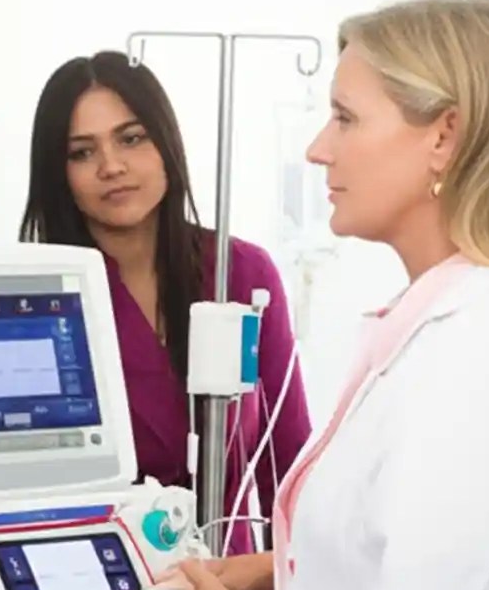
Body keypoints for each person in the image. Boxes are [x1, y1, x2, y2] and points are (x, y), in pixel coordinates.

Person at [128, 0, 489, 590]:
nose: (318, 150)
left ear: (444, 136)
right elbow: (435, 561)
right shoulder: (448, 320)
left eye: (345, 118)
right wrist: (284, 571)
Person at [19, 51, 312, 554]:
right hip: (94, 573)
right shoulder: (42, 296)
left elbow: (290, 462)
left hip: (230, 582)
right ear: (58, 172)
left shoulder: (240, 273)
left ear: (165, 143)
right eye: (82, 152)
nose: (112, 167)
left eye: (131, 139)